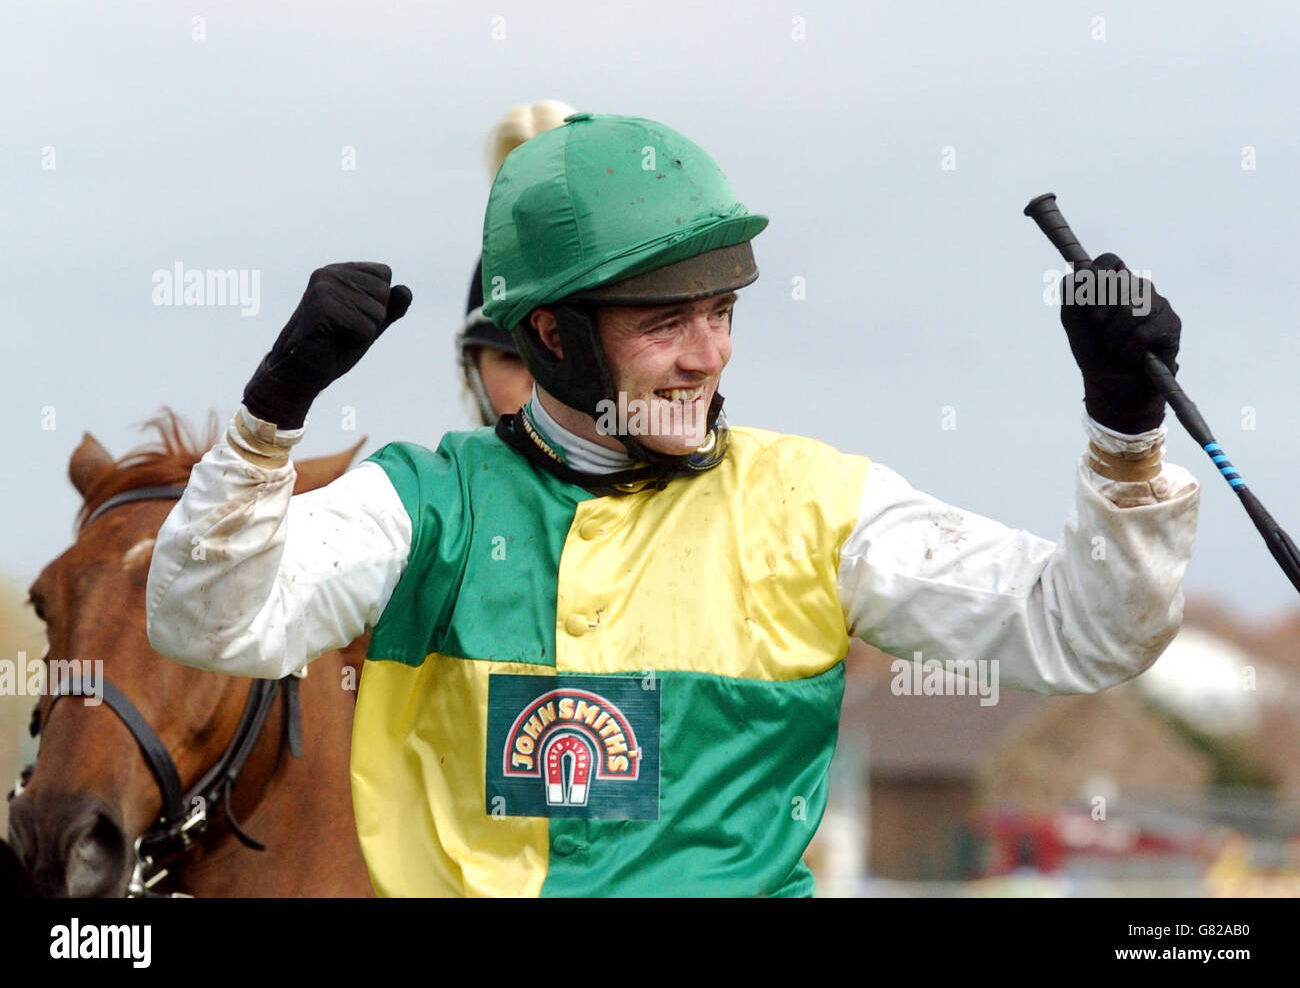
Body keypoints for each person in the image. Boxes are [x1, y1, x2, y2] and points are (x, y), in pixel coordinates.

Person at [145, 113, 1199, 898]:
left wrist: (1123, 429)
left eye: (721, 310)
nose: (709, 354)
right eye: (666, 323)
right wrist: (268, 417)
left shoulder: (813, 503)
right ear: (550, 335)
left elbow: (1088, 629)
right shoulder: (426, 504)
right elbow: (208, 619)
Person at [457, 100, 574, 424]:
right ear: (472, 371)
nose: (540, 381)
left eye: (566, 349)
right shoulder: (425, 475)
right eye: (513, 358)